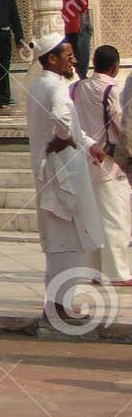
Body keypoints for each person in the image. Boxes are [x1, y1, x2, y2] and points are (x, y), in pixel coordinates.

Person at [25, 33, 106, 326]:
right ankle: (60, 307)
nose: (73, 60)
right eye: (68, 56)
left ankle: (57, 304)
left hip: (53, 171)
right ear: (52, 59)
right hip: (63, 175)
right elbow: (63, 121)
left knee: (61, 241)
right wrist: (63, 139)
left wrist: (87, 144)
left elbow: (69, 125)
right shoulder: (56, 88)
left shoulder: (39, 86)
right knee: (66, 241)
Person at [71, 45, 132, 285]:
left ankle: (95, 271)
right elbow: (121, 122)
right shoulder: (110, 89)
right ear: (115, 67)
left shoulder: (76, 88)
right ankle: (117, 272)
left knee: (92, 218)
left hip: (83, 160)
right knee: (115, 218)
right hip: (108, 161)